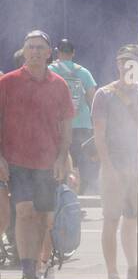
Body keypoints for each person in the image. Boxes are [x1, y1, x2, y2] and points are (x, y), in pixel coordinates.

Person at [0, 31, 75, 279]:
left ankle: (39, 264)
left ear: (48, 52)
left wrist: (62, 158)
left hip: (47, 160)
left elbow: (66, 125)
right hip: (16, 159)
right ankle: (27, 271)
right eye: (30, 47)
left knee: (43, 215)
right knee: (23, 212)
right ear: (23, 51)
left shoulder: (59, 84)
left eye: (39, 47)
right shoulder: (7, 82)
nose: (34, 51)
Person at [91, 45, 138, 279]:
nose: (126, 66)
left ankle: (134, 270)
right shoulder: (105, 94)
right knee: (111, 219)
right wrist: (108, 167)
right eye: (123, 61)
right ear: (117, 64)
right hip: (115, 164)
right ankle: (113, 274)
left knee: (133, 219)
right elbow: (99, 134)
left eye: (131, 61)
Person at [50, 40, 97, 193]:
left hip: (59, 124)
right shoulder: (83, 72)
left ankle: (63, 190)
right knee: (81, 161)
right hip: (82, 124)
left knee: (61, 158)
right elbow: (93, 98)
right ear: (73, 53)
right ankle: (80, 192)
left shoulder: (50, 70)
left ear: (58, 52)